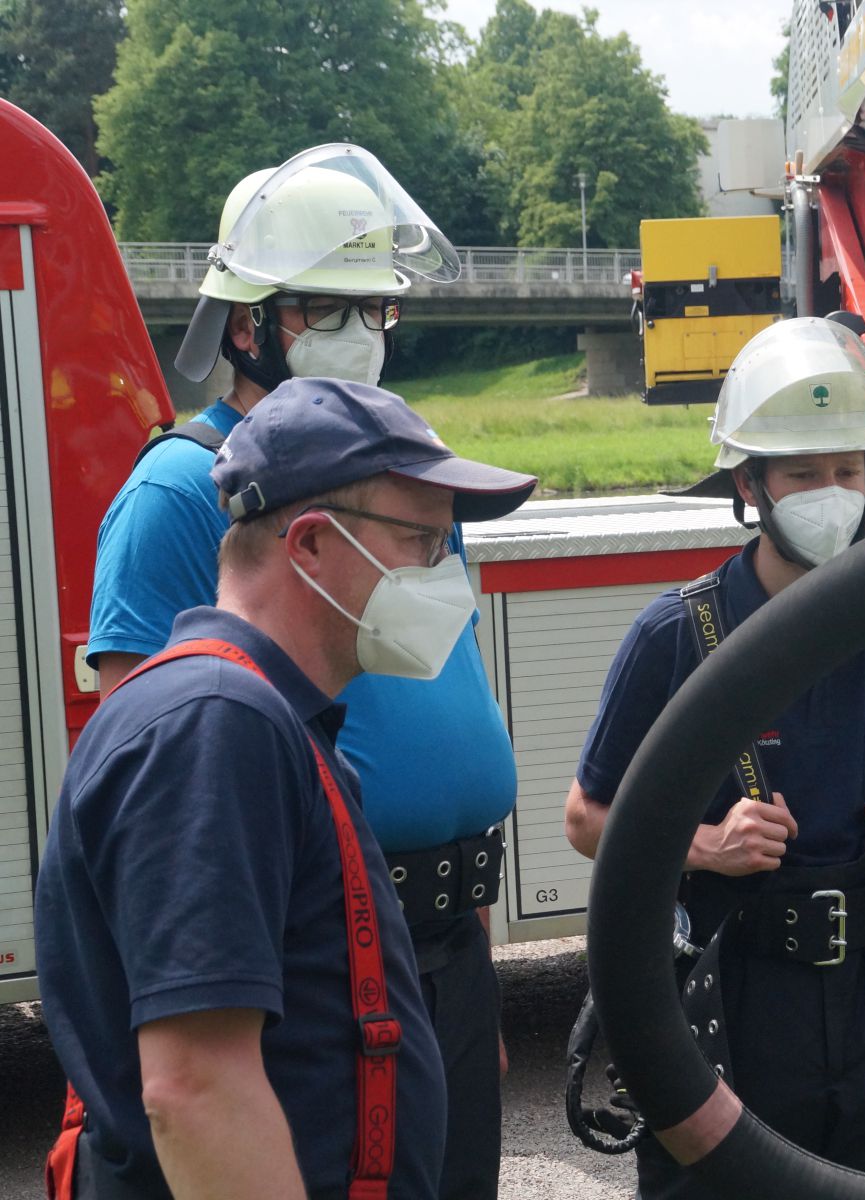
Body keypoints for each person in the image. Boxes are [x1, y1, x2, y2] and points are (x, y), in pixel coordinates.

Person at [86, 146, 523, 1199]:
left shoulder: (400, 481)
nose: (361, 336)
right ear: (248, 324)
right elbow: (160, 772)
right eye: (331, 307)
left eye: (379, 312)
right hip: (320, 963)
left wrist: (472, 981)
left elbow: (441, 699)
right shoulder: (186, 490)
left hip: (441, 945)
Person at [35, 379, 536, 1198]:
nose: (448, 578)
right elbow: (196, 1089)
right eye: (425, 542)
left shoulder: (265, 721)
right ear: (309, 543)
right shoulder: (216, 726)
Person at [563, 316, 865, 1194]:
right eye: (803, 473)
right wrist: (705, 843)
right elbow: (585, 818)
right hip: (736, 988)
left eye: (846, 470)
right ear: (750, 482)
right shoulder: (677, 635)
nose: (829, 491)